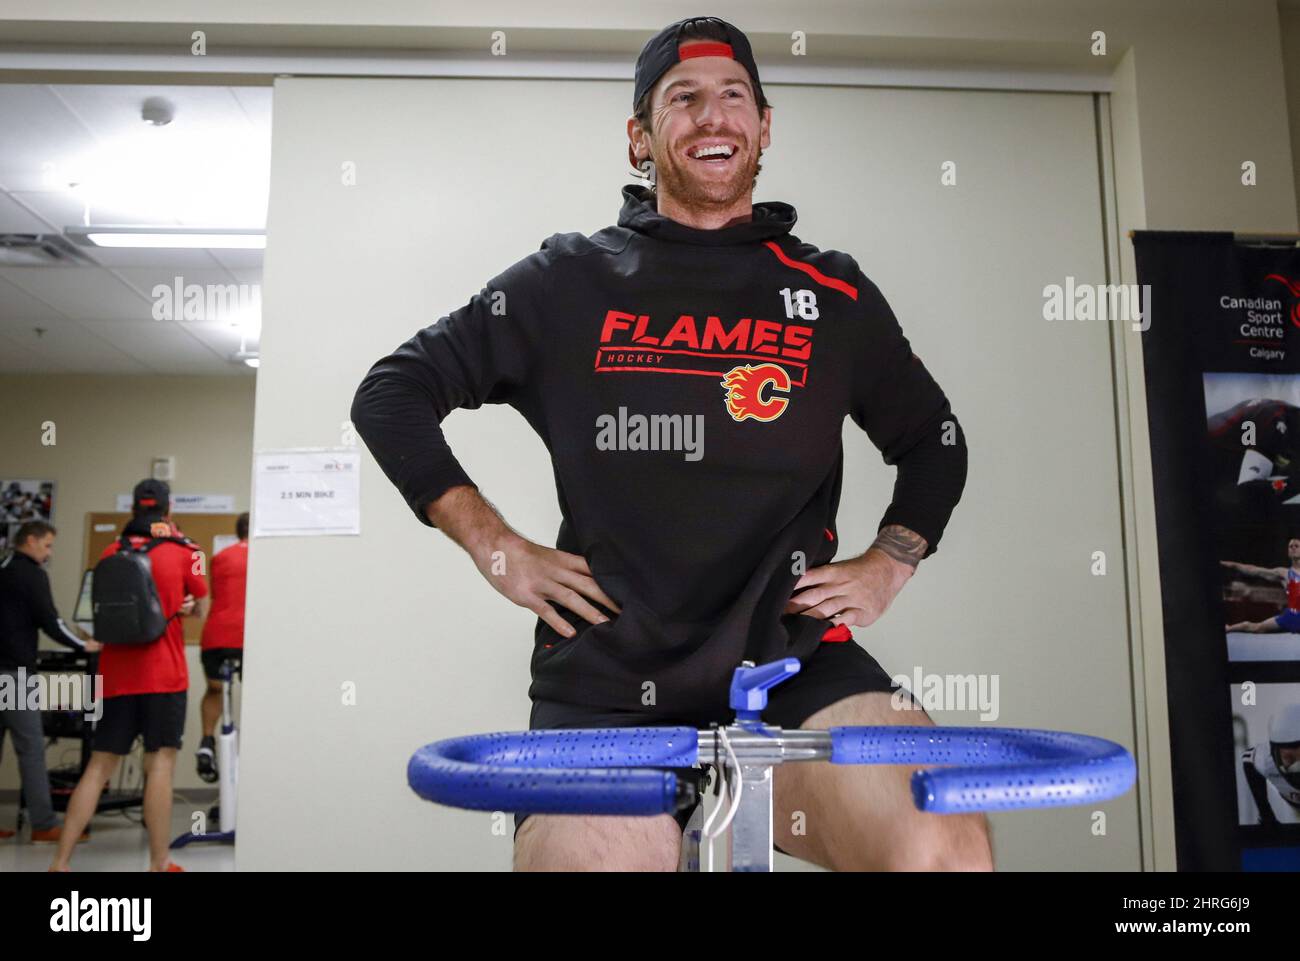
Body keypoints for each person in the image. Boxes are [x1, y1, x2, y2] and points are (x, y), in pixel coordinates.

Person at [351, 16, 990, 871]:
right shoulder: (565, 281)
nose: (712, 117)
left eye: (735, 97)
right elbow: (392, 392)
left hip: (794, 664)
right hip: (609, 684)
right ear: (639, 137)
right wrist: (496, 546)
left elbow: (935, 440)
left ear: (766, 127)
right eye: (682, 99)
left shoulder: (832, 293)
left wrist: (890, 561)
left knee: (942, 844)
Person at [50, 479, 208, 872]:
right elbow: (200, 607)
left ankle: (61, 861)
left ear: (134, 509)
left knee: (99, 765)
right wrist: (187, 605)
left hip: (117, 677)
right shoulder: (187, 551)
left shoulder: (110, 551)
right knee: (160, 766)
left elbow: (94, 618)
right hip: (165, 676)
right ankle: (158, 864)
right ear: (168, 511)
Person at [0, 520, 100, 843]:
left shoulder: (2, 568)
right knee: (31, 749)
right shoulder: (31, 575)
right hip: (15, 676)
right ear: (30, 540)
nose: (49, 553)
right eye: (47, 545)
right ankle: (43, 824)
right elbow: (51, 621)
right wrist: (83, 645)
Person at [196, 512, 248, 782]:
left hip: (216, 636)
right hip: (248, 637)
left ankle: (207, 740)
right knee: (258, 694)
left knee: (215, 689)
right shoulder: (266, 558)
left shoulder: (219, 557)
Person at [1222, 538, 1300, 633]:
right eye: (1290, 546)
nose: (1293, 548)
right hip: (1291, 617)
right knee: (1257, 628)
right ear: (1288, 552)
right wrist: (1232, 565)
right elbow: (1254, 570)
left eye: (1296, 546)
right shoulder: (1283, 573)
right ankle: (1228, 628)